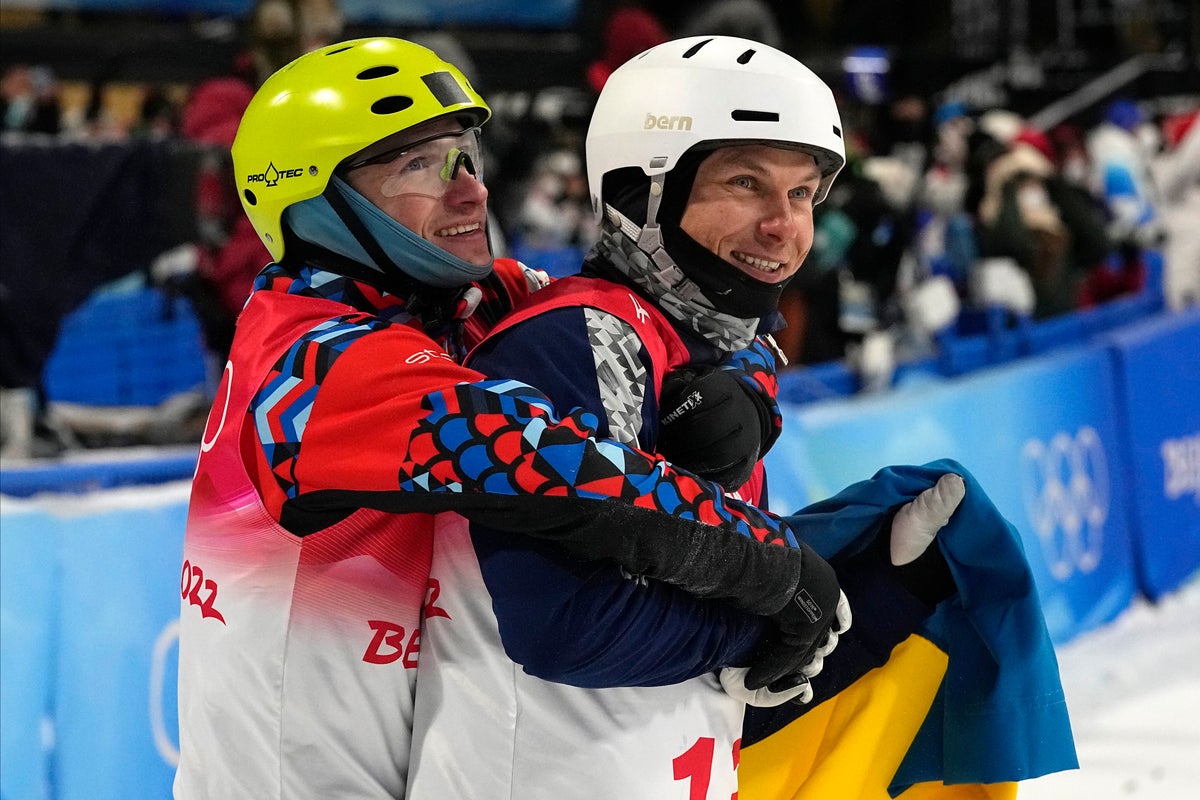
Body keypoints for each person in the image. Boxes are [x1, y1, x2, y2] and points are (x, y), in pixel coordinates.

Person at [174, 36, 860, 799]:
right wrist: (774, 571)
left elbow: (693, 309)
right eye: (417, 166)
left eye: (465, 157)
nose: (471, 192)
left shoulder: (458, 301)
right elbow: (570, 470)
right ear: (316, 205)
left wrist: (749, 385)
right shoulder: (312, 367)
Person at [408, 36, 1076, 799]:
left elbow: (714, 666)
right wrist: (785, 608)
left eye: (800, 195)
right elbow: (567, 626)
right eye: (746, 183)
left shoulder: (708, 348)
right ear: (641, 195)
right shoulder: (577, 337)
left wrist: (880, 587)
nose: (783, 226)